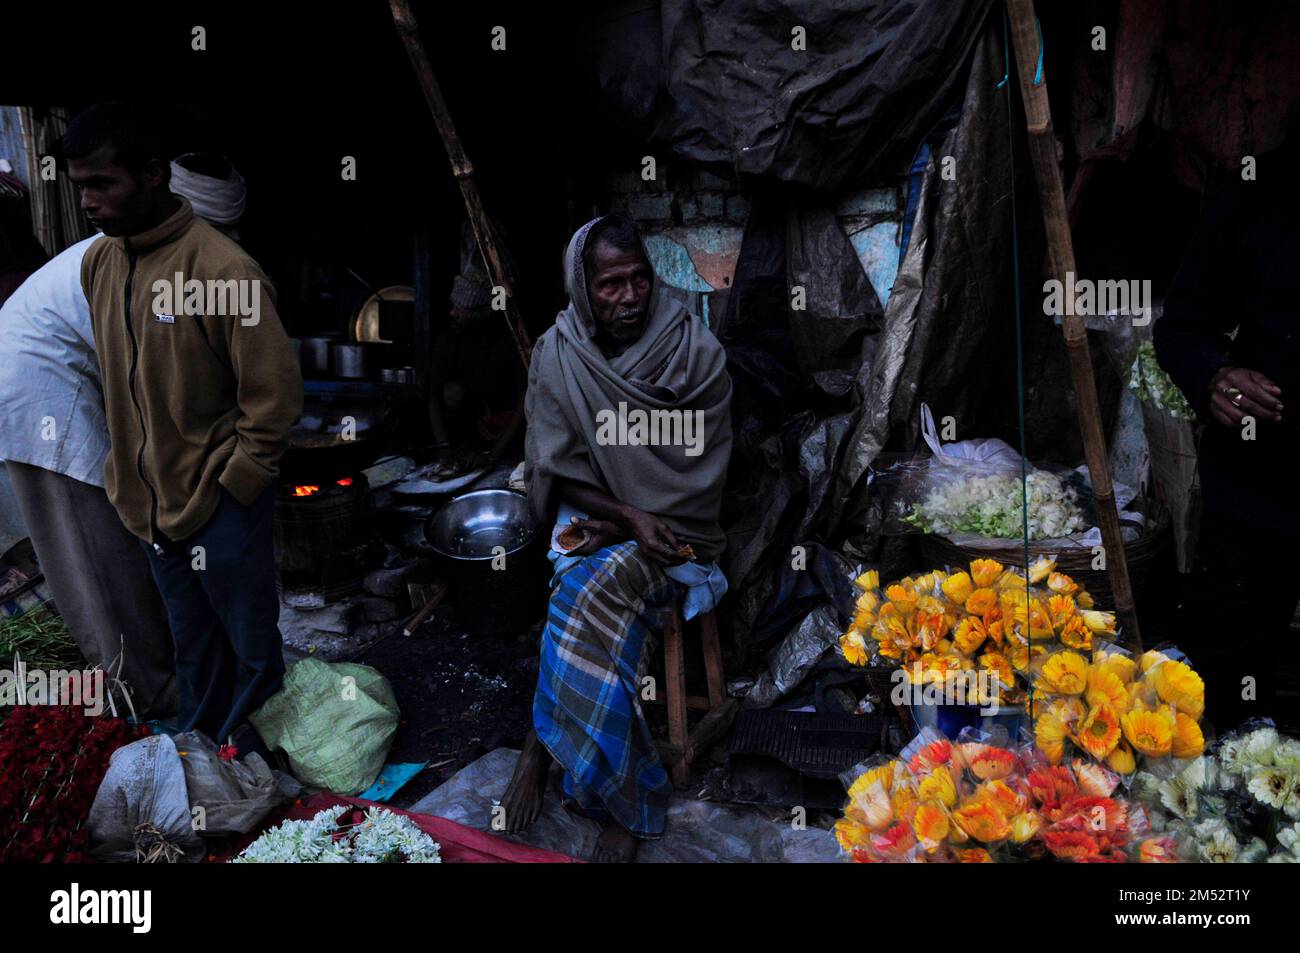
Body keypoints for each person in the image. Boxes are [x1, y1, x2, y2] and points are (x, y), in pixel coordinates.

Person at [67, 103, 302, 753]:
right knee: (192, 645)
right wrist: (129, 476)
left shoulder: (223, 269)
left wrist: (237, 485)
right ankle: (206, 758)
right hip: (149, 507)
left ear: (150, 175)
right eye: (79, 185)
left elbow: (274, 396)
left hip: (218, 500)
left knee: (251, 650)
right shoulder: (100, 265)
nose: (88, 201)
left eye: (101, 183)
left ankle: (264, 766)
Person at [502, 214, 733, 861]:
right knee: (581, 574)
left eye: (638, 280)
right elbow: (553, 467)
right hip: (600, 525)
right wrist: (620, 516)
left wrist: (632, 519)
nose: (628, 297)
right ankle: (586, 766)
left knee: (587, 586)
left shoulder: (694, 351)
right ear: (583, 286)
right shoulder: (559, 352)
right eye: (610, 285)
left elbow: (700, 469)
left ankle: (580, 770)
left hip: (678, 536)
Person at [0, 145, 255, 719]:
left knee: (132, 540)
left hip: (73, 376)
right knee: (95, 553)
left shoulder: (188, 257)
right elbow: (153, 385)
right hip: (39, 388)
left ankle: (170, 674)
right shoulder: (139, 261)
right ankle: (140, 696)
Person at [1154, 125, 1300, 731]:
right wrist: (1214, 375)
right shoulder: (1261, 187)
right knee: (1229, 717)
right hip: (1259, 494)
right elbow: (1182, 325)